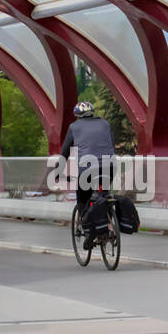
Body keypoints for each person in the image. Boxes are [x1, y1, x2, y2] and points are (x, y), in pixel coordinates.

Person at [60, 100, 115, 247]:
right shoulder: (105, 124)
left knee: (83, 198)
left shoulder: (74, 127)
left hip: (88, 170)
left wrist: (58, 171)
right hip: (109, 165)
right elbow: (111, 145)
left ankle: (89, 232)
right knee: (103, 196)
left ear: (77, 116)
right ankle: (108, 228)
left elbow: (65, 152)